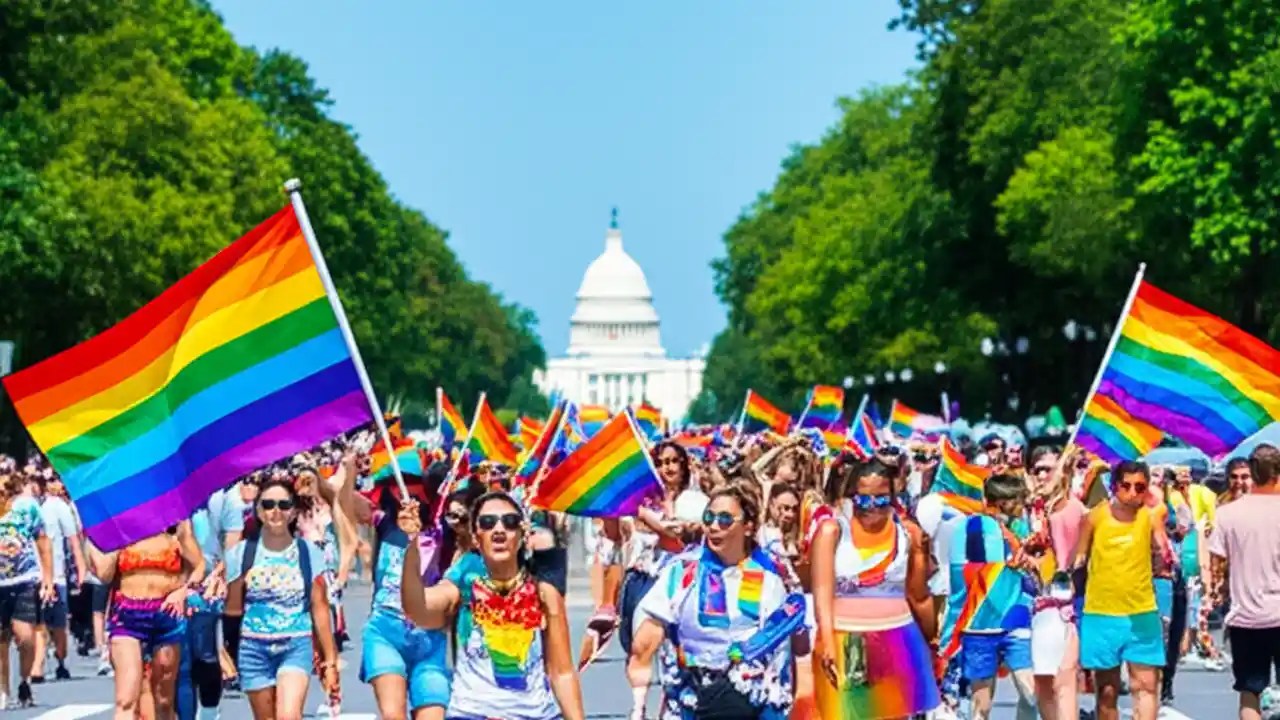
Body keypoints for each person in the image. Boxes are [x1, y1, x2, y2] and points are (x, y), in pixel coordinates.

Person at [400, 491, 586, 720]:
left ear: (522, 535)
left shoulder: (543, 592)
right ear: (477, 537)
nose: (499, 530)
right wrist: (412, 549)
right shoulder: (464, 582)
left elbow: (562, 672)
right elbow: (418, 609)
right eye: (488, 523)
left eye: (509, 522)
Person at [632, 483, 806, 720]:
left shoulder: (769, 579)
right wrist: (639, 700)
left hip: (746, 703)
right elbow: (649, 633)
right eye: (709, 517)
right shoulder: (682, 572)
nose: (713, 526)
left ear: (748, 527)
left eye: (724, 519)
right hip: (690, 699)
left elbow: (783, 654)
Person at [812, 459, 940, 720]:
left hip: (899, 638)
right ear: (852, 496)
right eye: (864, 499)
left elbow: (918, 595)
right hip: (850, 640)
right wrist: (827, 641)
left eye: (881, 500)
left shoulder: (908, 533)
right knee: (853, 714)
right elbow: (822, 594)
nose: (872, 507)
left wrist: (935, 641)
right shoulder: (832, 531)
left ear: (893, 497)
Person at [224, 479, 339, 720]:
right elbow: (232, 610)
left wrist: (330, 660)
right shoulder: (242, 553)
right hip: (253, 648)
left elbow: (319, 607)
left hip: (295, 645)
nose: (275, 511)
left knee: (288, 715)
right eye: (268, 504)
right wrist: (224, 652)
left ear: (293, 511)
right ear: (258, 511)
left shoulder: (309, 552)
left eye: (283, 504)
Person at [1072, 460, 1170, 720]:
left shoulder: (1150, 518)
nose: (1133, 492)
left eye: (1140, 487)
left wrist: (1163, 557)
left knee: (1147, 686)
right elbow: (1078, 560)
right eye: (1126, 486)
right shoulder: (1094, 517)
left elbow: (1163, 555)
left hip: (1142, 613)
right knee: (1106, 691)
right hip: (1101, 614)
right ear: (1114, 487)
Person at [941, 472, 1037, 720]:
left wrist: (1030, 563)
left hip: (1016, 621)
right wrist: (1010, 562)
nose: (1023, 504)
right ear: (1005, 501)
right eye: (1019, 499)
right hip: (979, 626)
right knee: (981, 706)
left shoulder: (1020, 528)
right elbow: (968, 576)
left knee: (1031, 694)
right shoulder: (973, 527)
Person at [90, 523, 205, 720]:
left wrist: (183, 591)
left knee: (163, 700)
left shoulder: (176, 525)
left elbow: (199, 566)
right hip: (128, 614)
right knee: (125, 699)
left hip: (166, 612)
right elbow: (104, 573)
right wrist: (114, 536)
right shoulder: (117, 525)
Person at [1208, 444, 1280, 720]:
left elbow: (1218, 567)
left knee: (1249, 693)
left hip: (1246, 616)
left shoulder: (1228, 514)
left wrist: (1219, 591)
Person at [0, 471, 55, 707]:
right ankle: (4, 689)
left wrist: (48, 579)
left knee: (25, 637)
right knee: (1, 639)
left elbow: (43, 541)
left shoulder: (26, 507)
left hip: (24, 579)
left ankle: (25, 680)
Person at [31, 473, 87, 683]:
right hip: (35, 573)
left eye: (58, 480)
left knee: (58, 624)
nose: (56, 485)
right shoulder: (33, 507)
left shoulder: (60, 507)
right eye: (51, 481)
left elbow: (74, 539)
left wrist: (81, 569)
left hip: (57, 575)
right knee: (39, 622)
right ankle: (37, 666)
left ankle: (61, 659)